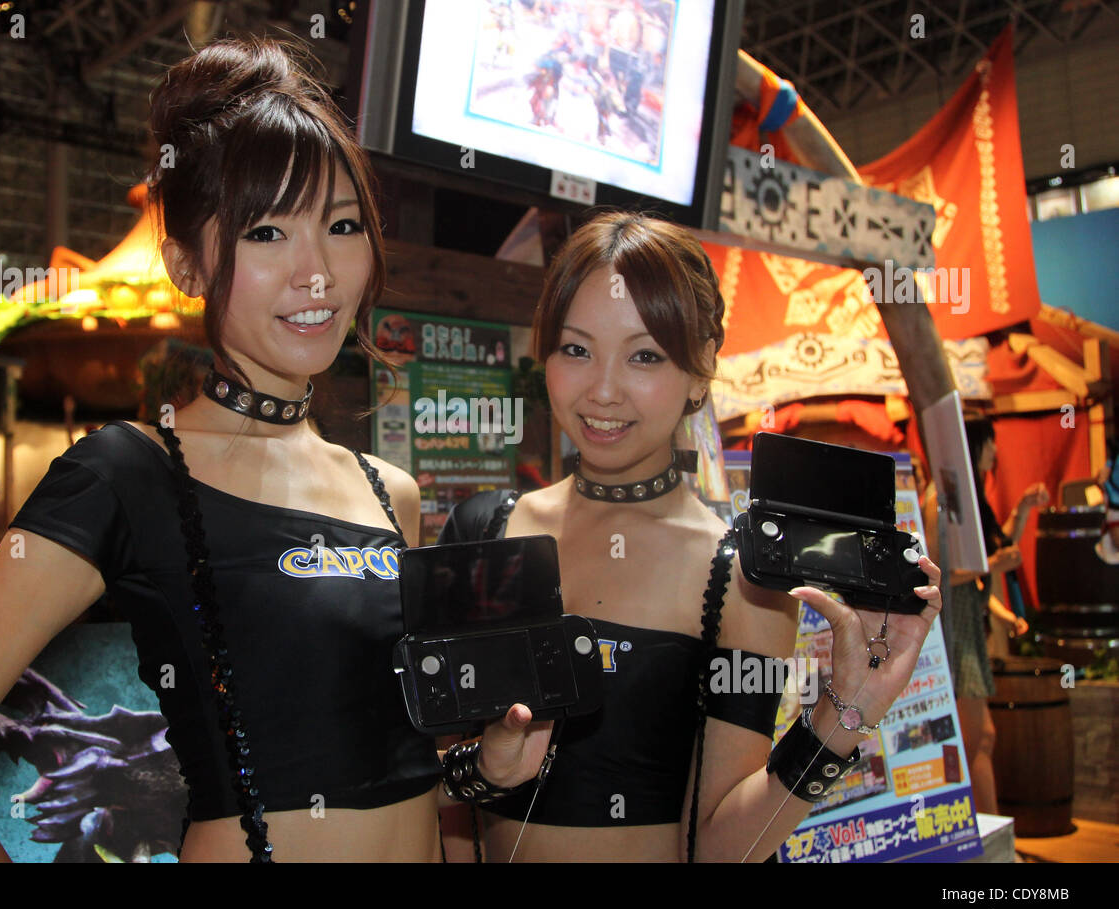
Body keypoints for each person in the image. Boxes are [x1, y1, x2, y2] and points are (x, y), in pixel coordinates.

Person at [0, 36, 548, 863]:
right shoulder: (124, 476)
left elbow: (386, 762)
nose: (318, 272)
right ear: (187, 264)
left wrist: (484, 766)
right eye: (266, 232)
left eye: (340, 225)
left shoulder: (386, 490)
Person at [438, 211, 942, 861]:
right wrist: (486, 768)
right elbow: (432, 796)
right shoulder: (482, 533)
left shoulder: (743, 579)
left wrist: (842, 713)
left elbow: (724, 848)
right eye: (576, 348)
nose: (604, 389)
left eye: (645, 355)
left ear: (702, 367)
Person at [922, 417, 1048, 816]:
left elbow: (989, 552)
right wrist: (993, 565)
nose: (996, 451)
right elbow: (942, 571)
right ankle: (985, 845)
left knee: (980, 740)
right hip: (953, 630)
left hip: (966, 623)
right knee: (973, 741)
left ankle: (989, 841)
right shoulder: (942, 495)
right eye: (990, 442)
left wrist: (1023, 510)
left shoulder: (966, 495)